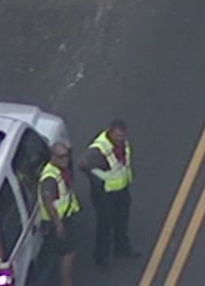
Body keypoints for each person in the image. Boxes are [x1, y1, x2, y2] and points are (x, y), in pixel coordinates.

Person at [80, 119, 138, 268]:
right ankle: (101, 257)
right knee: (105, 225)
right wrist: (98, 180)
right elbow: (83, 164)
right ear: (110, 132)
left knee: (121, 219)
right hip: (104, 193)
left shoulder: (122, 144)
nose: (120, 139)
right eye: (117, 136)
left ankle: (121, 247)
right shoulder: (98, 150)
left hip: (121, 189)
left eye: (122, 136)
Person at [39, 142, 82, 286]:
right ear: (53, 157)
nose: (65, 160)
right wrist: (58, 225)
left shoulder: (60, 170)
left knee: (63, 252)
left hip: (65, 217)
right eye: (61, 157)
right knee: (68, 253)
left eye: (66, 156)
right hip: (57, 221)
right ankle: (66, 283)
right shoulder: (50, 177)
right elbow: (47, 201)